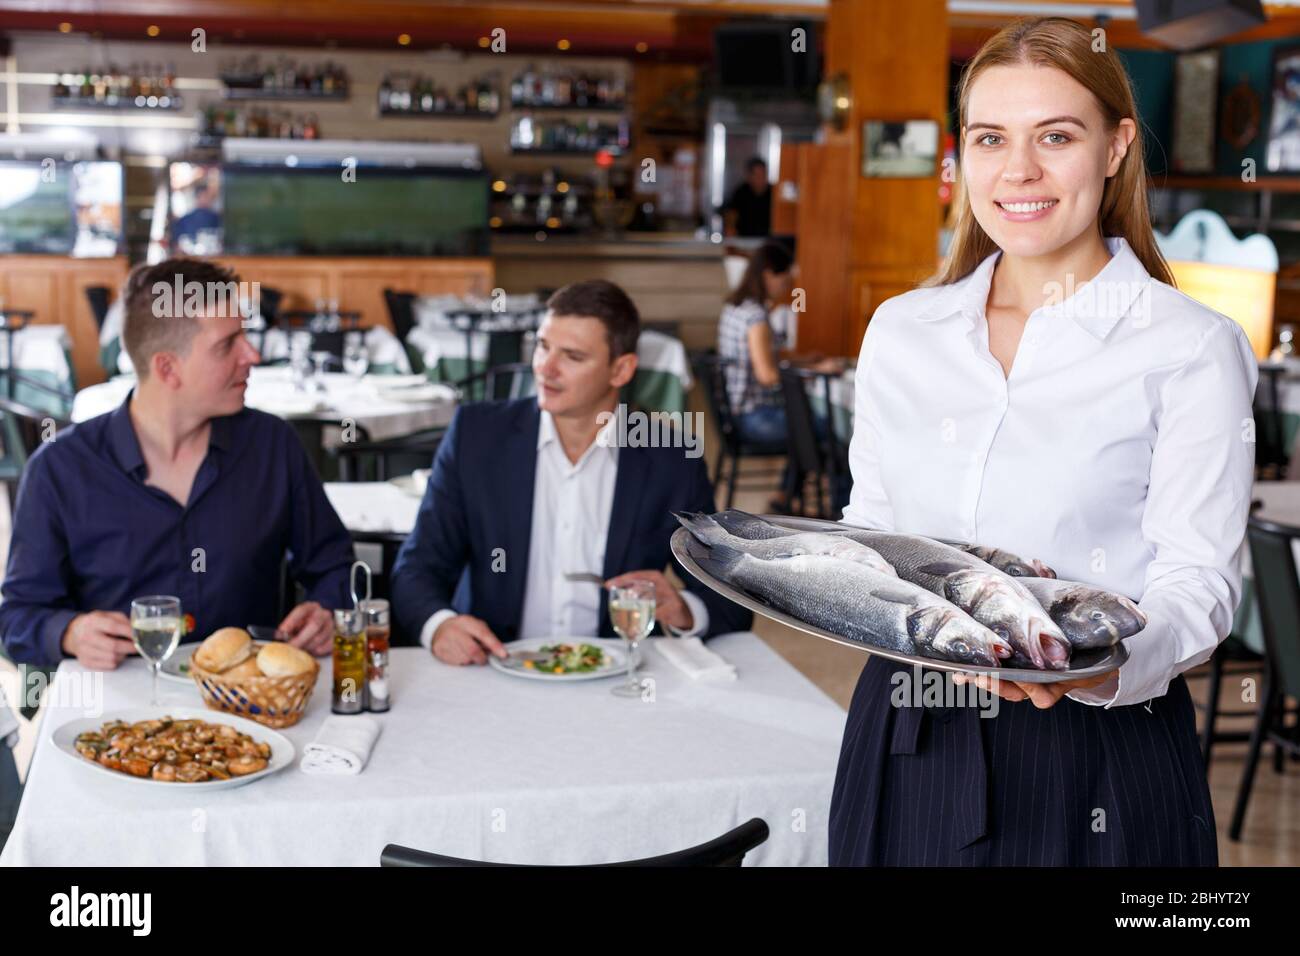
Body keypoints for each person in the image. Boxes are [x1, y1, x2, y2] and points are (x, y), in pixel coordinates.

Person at [829, 16, 1256, 866]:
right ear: (963, 158)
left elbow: (1199, 583)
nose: (1018, 169)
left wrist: (1098, 669)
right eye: (991, 138)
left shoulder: (1190, 347)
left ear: (1115, 148)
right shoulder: (902, 330)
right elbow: (869, 533)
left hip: (1096, 746)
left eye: (1055, 136)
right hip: (908, 725)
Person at [0, 258, 355, 670]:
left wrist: (326, 608)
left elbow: (335, 566)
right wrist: (69, 632)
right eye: (228, 344)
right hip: (117, 716)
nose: (252, 355)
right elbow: (17, 618)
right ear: (167, 368)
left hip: (252, 704)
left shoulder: (273, 446)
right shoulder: (61, 469)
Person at [391, 279, 751, 665]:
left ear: (621, 369)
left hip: (611, 679)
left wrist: (682, 608)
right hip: (493, 669)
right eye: (543, 346)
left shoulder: (671, 458)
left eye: (573, 357)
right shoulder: (476, 437)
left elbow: (732, 598)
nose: (545, 368)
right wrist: (440, 625)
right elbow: (417, 568)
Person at [718, 240, 845, 512]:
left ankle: (786, 495)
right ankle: (840, 508)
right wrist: (811, 372)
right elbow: (767, 375)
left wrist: (802, 359)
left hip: (734, 414)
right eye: (784, 281)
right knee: (831, 431)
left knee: (805, 423)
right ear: (768, 275)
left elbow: (766, 354)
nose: (786, 289)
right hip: (753, 419)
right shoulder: (756, 317)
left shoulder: (736, 308)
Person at [721, 157, 772, 238]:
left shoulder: (773, 193)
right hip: (744, 240)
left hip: (769, 241)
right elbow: (731, 214)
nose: (760, 178)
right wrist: (730, 228)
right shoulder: (741, 193)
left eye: (763, 174)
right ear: (749, 176)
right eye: (757, 175)